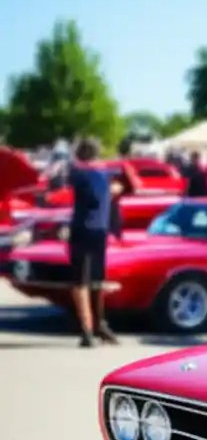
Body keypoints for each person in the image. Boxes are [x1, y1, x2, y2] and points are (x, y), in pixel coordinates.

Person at [67, 138, 122, 347]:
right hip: (101, 230)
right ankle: (101, 323)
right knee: (97, 279)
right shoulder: (105, 174)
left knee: (79, 282)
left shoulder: (78, 173)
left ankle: (87, 329)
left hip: (82, 228)